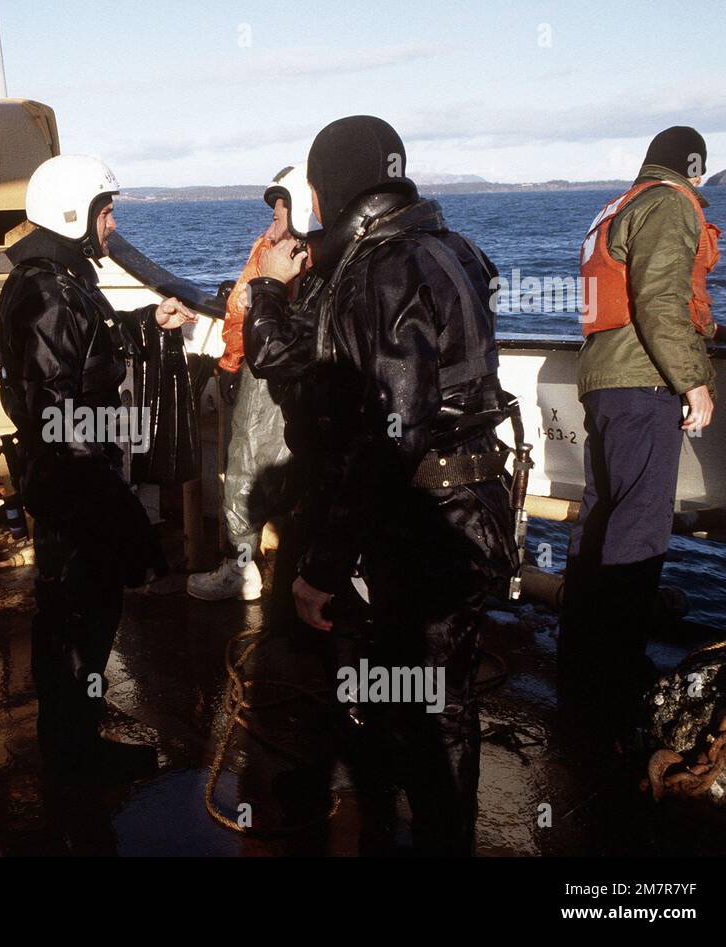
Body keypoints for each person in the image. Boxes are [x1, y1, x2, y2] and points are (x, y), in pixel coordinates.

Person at [245, 116, 516, 855]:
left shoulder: (380, 267)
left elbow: (388, 438)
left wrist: (322, 569)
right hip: (467, 514)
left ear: (334, 185)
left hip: (420, 529)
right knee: (435, 705)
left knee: (421, 715)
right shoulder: (451, 246)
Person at [0, 154, 197, 780]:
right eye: (105, 213)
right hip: (73, 483)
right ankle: (73, 753)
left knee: (83, 611)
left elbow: (85, 351)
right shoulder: (49, 290)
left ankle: (74, 736)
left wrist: (145, 322)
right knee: (77, 616)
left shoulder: (58, 281)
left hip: (71, 479)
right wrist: (104, 495)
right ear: (71, 214)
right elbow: (56, 406)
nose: (111, 226)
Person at [560, 126, 719, 745]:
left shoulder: (619, 206)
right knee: (641, 522)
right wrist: (694, 379)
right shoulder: (672, 202)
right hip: (645, 383)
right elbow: (658, 299)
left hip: (603, 380)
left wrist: (710, 331)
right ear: (693, 168)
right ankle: (618, 672)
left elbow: (636, 296)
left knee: (601, 514)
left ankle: (580, 656)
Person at [189, 165, 316, 602]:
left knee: (246, 469)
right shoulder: (276, 249)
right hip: (271, 368)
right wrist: (229, 363)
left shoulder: (294, 259)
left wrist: (232, 362)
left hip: (273, 375)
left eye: (279, 216)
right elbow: (240, 311)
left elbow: (254, 318)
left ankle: (244, 573)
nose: (270, 226)